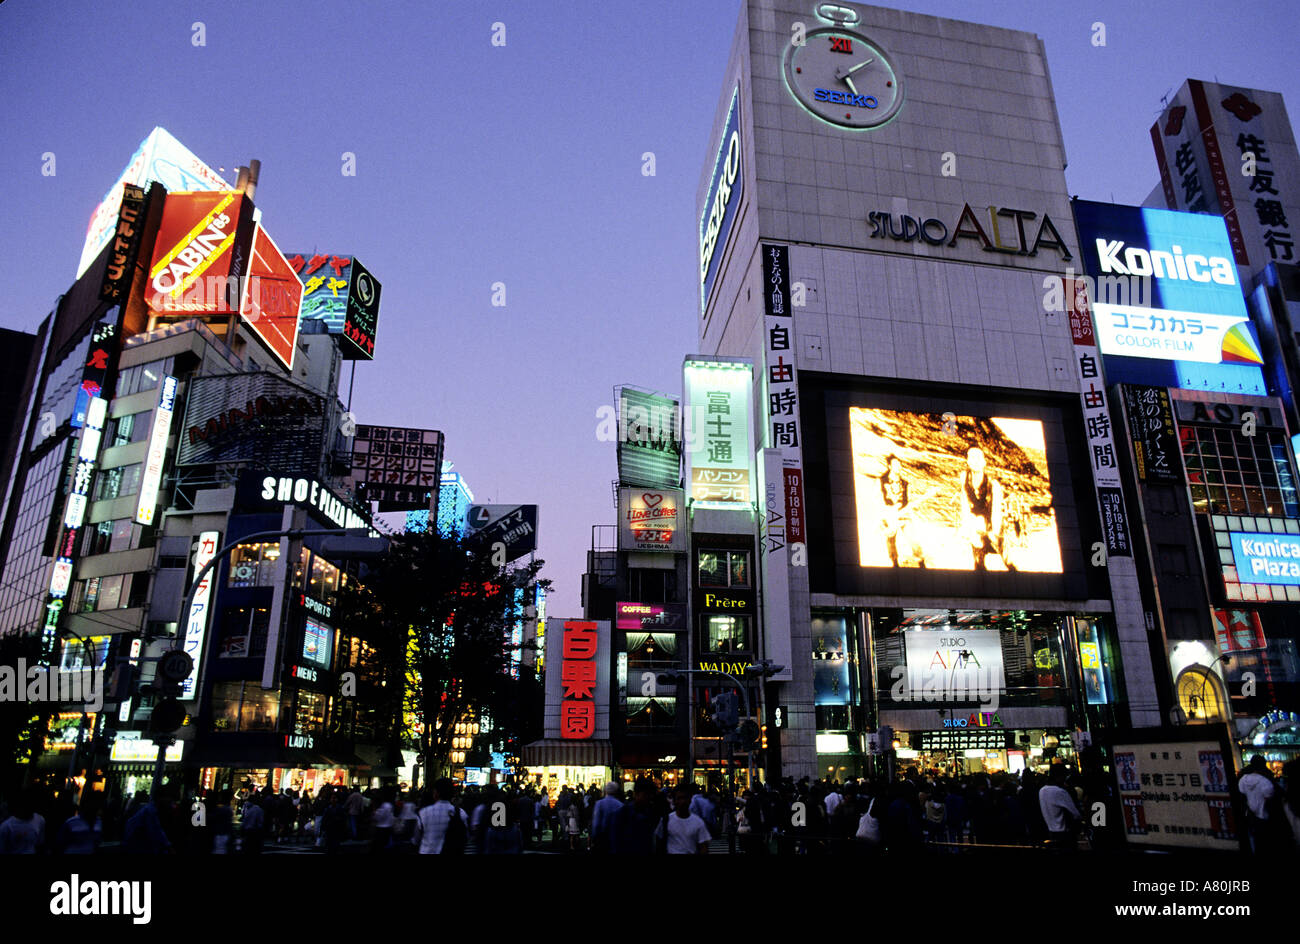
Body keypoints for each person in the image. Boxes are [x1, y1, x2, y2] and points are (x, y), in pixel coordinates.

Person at [958, 446, 1009, 571]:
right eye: (972, 457)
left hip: (993, 524)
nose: (975, 460)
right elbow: (964, 502)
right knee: (977, 559)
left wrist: (994, 532)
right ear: (968, 461)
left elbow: (996, 512)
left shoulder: (993, 485)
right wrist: (967, 526)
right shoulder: (964, 479)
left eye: (978, 457)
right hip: (976, 523)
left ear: (984, 462)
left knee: (1008, 560)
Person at [880, 454, 924, 567]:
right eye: (895, 465)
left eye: (899, 464)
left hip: (904, 514)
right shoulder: (882, 480)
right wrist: (885, 514)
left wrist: (909, 509)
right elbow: (878, 497)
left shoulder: (905, 483)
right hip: (888, 514)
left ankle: (921, 563)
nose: (898, 467)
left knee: (913, 538)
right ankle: (894, 563)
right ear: (889, 466)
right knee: (890, 539)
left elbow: (908, 500)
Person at [610, 777, 663, 855]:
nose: (649, 798)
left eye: (651, 795)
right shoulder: (623, 814)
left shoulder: (652, 813)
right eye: (646, 795)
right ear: (636, 794)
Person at [415, 779, 468, 854]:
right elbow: (465, 836)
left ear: (435, 793)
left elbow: (416, 838)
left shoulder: (423, 812)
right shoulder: (460, 813)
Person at [1239, 754, 1278, 854]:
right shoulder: (1265, 782)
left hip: (1250, 815)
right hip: (1264, 816)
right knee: (1266, 843)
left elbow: (1242, 793)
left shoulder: (1243, 779)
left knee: (1254, 841)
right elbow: (1270, 797)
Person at [656, 785, 711, 854]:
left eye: (685, 798)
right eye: (679, 798)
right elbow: (658, 841)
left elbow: (703, 847)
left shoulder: (698, 822)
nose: (683, 801)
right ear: (674, 800)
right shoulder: (666, 820)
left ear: (690, 800)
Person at [1038, 765, 1081, 849]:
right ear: (1059, 776)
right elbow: (1076, 814)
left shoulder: (1042, 790)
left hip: (1051, 831)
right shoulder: (1060, 792)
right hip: (1065, 834)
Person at [589, 782, 624, 854]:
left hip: (602, 837)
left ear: (605, 791)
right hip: (616, 838)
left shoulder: (599, 803)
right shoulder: (620, 805)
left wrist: (594, 837)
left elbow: (596, 823)